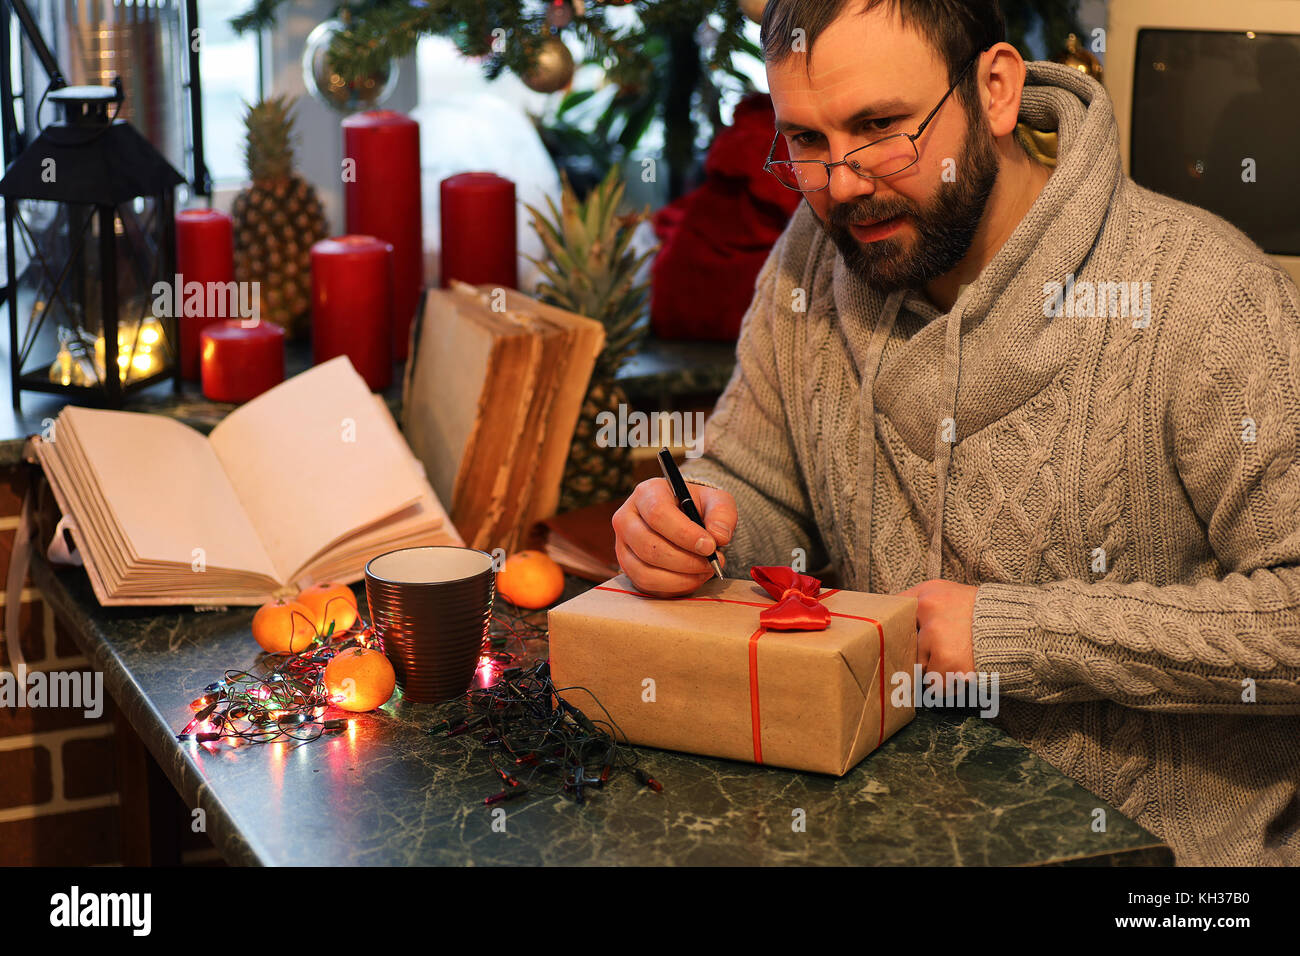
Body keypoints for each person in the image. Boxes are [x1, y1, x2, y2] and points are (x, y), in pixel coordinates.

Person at [611, 0, 1300, 866]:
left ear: (998, 89)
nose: (843, 184)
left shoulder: (1208, 300)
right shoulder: (810, 260)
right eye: (807, 143)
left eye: (882, 127)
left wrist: (1015, 635)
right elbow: (754, 483)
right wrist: (693, 521)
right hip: (885, 828)